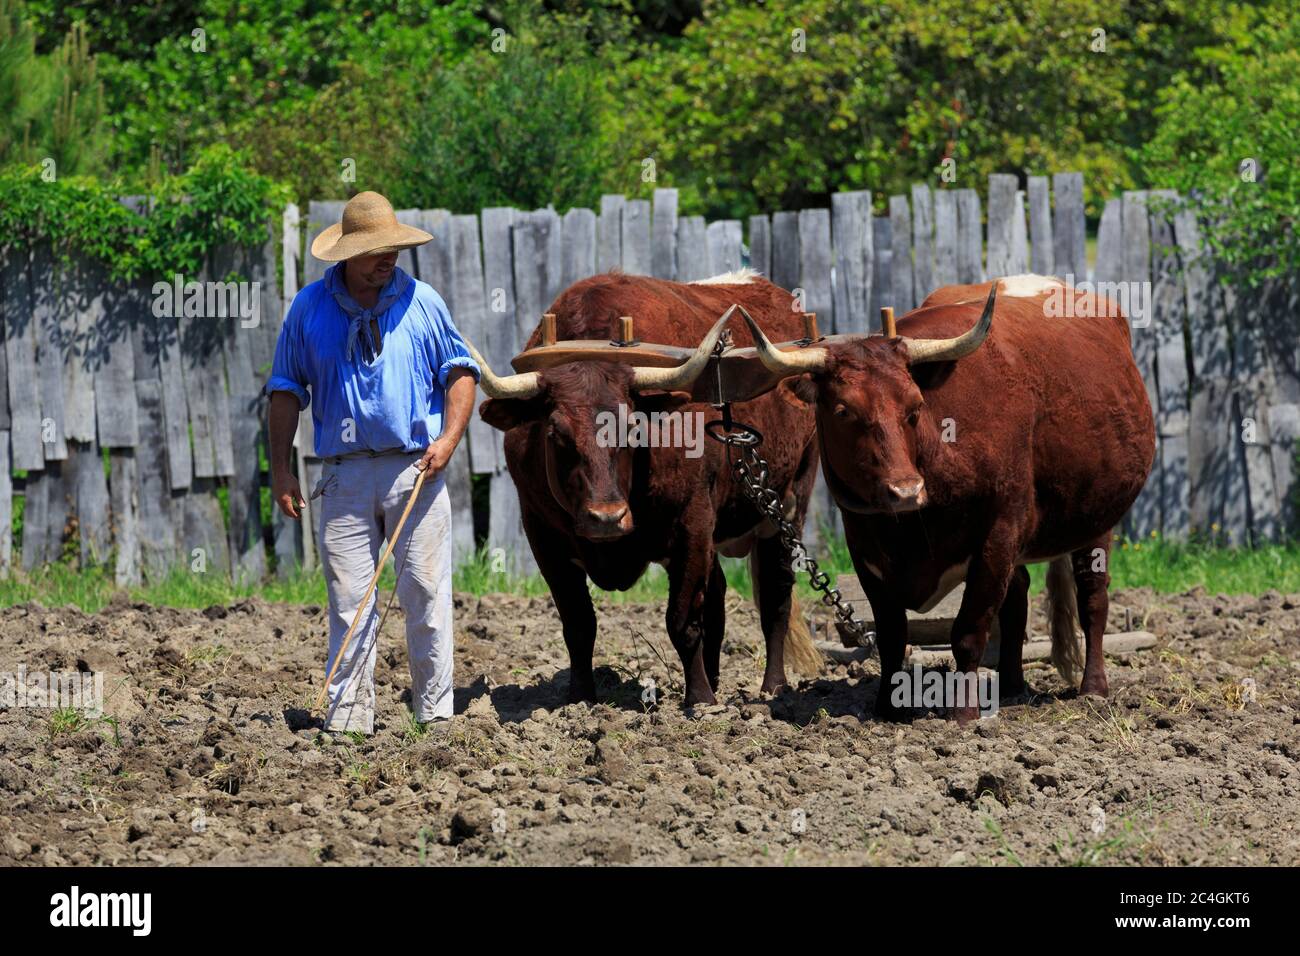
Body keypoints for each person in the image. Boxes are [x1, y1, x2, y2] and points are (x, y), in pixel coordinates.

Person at [266, 190, 479, 734]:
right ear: (346, 255)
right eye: (376, 250)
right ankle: (348, 722)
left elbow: (459, 373)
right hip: (342, 475)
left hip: (415, 468)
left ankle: (435, 718)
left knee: (426, 597)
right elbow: (286, 391)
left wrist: (451, 438)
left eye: (393, 248)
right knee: (349, 602)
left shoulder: (423, 302)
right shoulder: (308, 309)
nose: (389, 259)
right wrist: (282, 469)